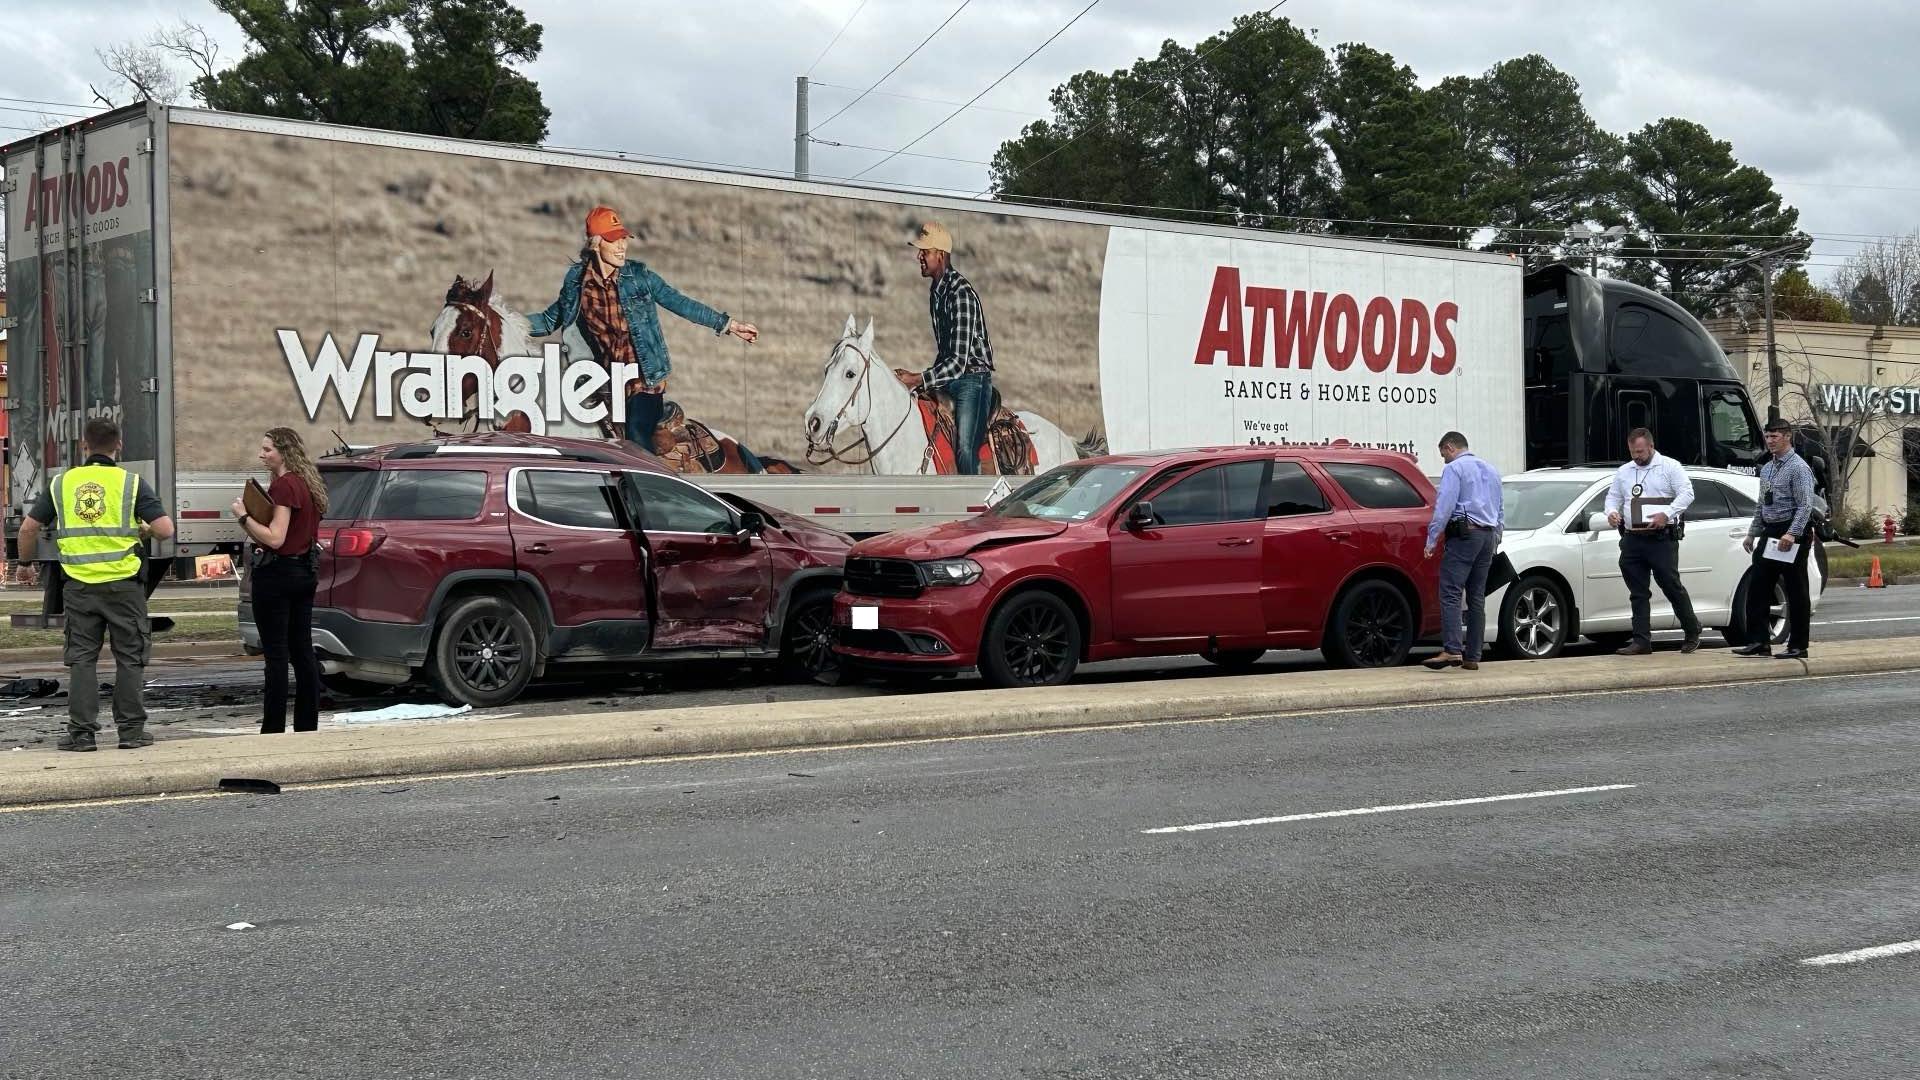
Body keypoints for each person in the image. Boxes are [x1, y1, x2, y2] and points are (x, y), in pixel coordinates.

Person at [526, 205, 758, 450]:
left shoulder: (639, 276)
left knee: (635, 435)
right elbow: (550, 320)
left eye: (623, 239)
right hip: (603, 382)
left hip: (643, 382)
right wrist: (502, 321)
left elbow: (679, 302)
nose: (622, 246)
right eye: (613, 240)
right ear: (595, 244)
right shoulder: (576, 281)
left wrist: (728, 324)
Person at [16, 419, 175, 751]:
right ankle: (131, 732)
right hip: (124, 587)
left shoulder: (62, 483)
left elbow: (29, 529)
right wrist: (142, 531)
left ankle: (82, 734)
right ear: (119, 446)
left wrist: (26, 565)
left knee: (82, 660)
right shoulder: (132, 484)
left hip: (79, 588)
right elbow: (165, 530)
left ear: (83, 446)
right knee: (130, 658)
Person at [231, 428, 328, 733]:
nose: (262, 454)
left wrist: (244, 517)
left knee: (275, 655)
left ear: (284, 451)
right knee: (302, 650)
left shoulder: (285, 486)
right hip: (304, 573)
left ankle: (272, 729)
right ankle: (306, 724)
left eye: (268, 449)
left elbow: (275, 538)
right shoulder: (306, 483)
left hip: (277, 575)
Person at [894, 222, 996, 475]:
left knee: (964, 447)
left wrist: (919, 378)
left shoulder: (961, 293)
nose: (920, 256)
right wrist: (922, 379)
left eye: (925, 252)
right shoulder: (936, 292)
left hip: (972, 379)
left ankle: (972, 501)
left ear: (940, 255)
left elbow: (959, 361)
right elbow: (946, 353)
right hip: (953, 376)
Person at [1604, 428, 1701, 655]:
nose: (1636, 456)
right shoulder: (1624, 471)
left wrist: (1666, 514)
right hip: (1632, 538)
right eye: (1632, 452)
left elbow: (1687, 494)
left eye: (1639, 451)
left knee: (1670, 585)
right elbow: (1613, 497)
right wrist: (1611, 512)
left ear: (1650, 446)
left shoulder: (1670, 467)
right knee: (1637, 592)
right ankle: (1641, 640)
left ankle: (1692, 630)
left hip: (1661, 539)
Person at [1733, 419, 1817, 659]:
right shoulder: (1768, 468)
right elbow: (1763, 503)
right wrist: (1753, 532)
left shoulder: (1798, 468)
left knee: (1795, 588)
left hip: (1792, 531)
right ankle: (1759, 641)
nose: (1770, 441)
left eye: (1774, 437)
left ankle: (1798, 645)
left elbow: (1805, 505)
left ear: (1787, 437)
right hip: (1770, 531)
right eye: (1767, 437)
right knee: (1759, 585)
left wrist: (1792, 533)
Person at [1423, 431, 1504, 671]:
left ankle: (1451, 650)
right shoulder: (1491, 470)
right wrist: (1496, 537)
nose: (1444, 460)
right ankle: (1473, 655)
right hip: (1487, 535)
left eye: (1443, 455)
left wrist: (1431, 539)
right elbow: (1500, 509)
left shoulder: (1455, 469)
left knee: (1451, 591)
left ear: (1450, 447)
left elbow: (1444, 505)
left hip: (1464, 535)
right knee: (1477, 596)